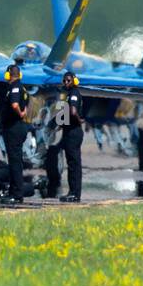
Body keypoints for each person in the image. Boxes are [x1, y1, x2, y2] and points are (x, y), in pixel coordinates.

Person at [0, 61, 30, 205]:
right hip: (17, 127)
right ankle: (14, 192)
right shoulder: (22, 88)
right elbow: (26, 104)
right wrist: (24, 112)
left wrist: (20, 114)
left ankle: (17, 194)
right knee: (14, 161)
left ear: (8, 75)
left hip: (14, 128)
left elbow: (14, 104)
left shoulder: (15, 88)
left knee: (15, 162)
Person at [57, 70, 84, 203]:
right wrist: (59, 125)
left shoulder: (73, 93)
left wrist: (79, 120)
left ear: (74, 80)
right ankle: (72, 192)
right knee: (71, 163)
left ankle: (74, 194)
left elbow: (72, 111)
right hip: (69, 131)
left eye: (69, 80)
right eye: (65, 80)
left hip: (74, 131)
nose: (66, 83)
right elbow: (62, 111)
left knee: (74, 164)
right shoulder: (66, 95)